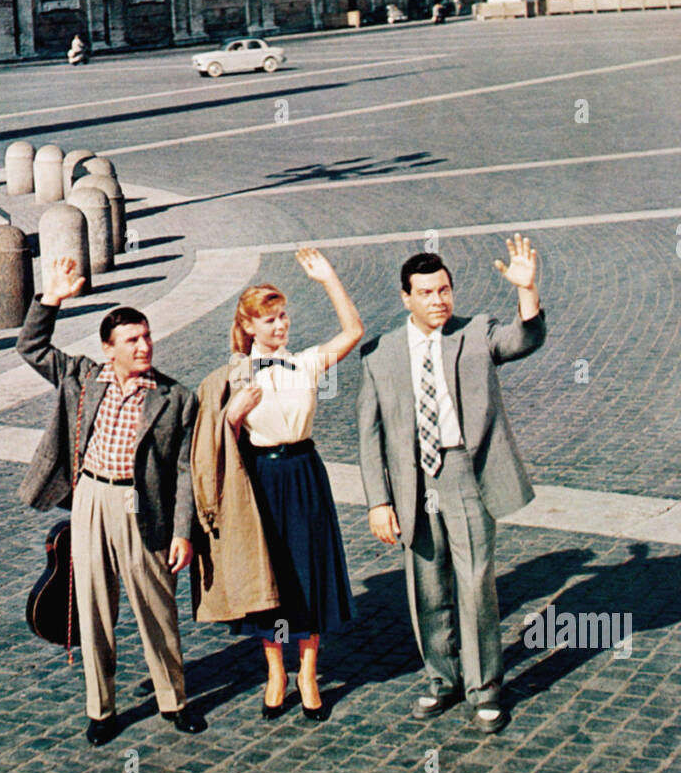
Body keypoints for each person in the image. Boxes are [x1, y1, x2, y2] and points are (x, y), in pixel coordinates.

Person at [357, 239, 546, 733]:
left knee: (475, 580)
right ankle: (441, 678)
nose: (438, 300)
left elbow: (522, 340)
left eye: (444, 290)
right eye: (426, 292)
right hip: (411, 482)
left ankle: (484, 689)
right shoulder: (380, 354)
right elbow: (369, 435)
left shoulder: (476, 333)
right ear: (405, 298)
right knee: (426, 584)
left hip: (464, 473)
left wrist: (527, 293)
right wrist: (379, 501)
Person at [17, 256, 204, 746]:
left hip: (144, 507)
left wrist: (183, 531)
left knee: (156, 607)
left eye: (146, 337)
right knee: (94, 607)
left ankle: (173, 701)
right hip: (91, 498)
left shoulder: (176, 398)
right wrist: (50, 298)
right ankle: (101, 709)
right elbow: (31, 347)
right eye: (132, 340)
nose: (144, 347)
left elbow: (187, 470)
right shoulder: (82, 376)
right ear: (109, 348)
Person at [196, 248, 364, 722]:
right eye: (269, 320)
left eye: (283, 316)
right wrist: (232, 417)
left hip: (304, 473)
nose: (280, 326)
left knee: (308, 572)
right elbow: (213, 446)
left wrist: (328, 277)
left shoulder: (306, 363)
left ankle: (309, 672)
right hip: (261, 479)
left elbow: (354, 331)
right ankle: (275, 672)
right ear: (249, 327)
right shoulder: (234, 374)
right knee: (268, 575)